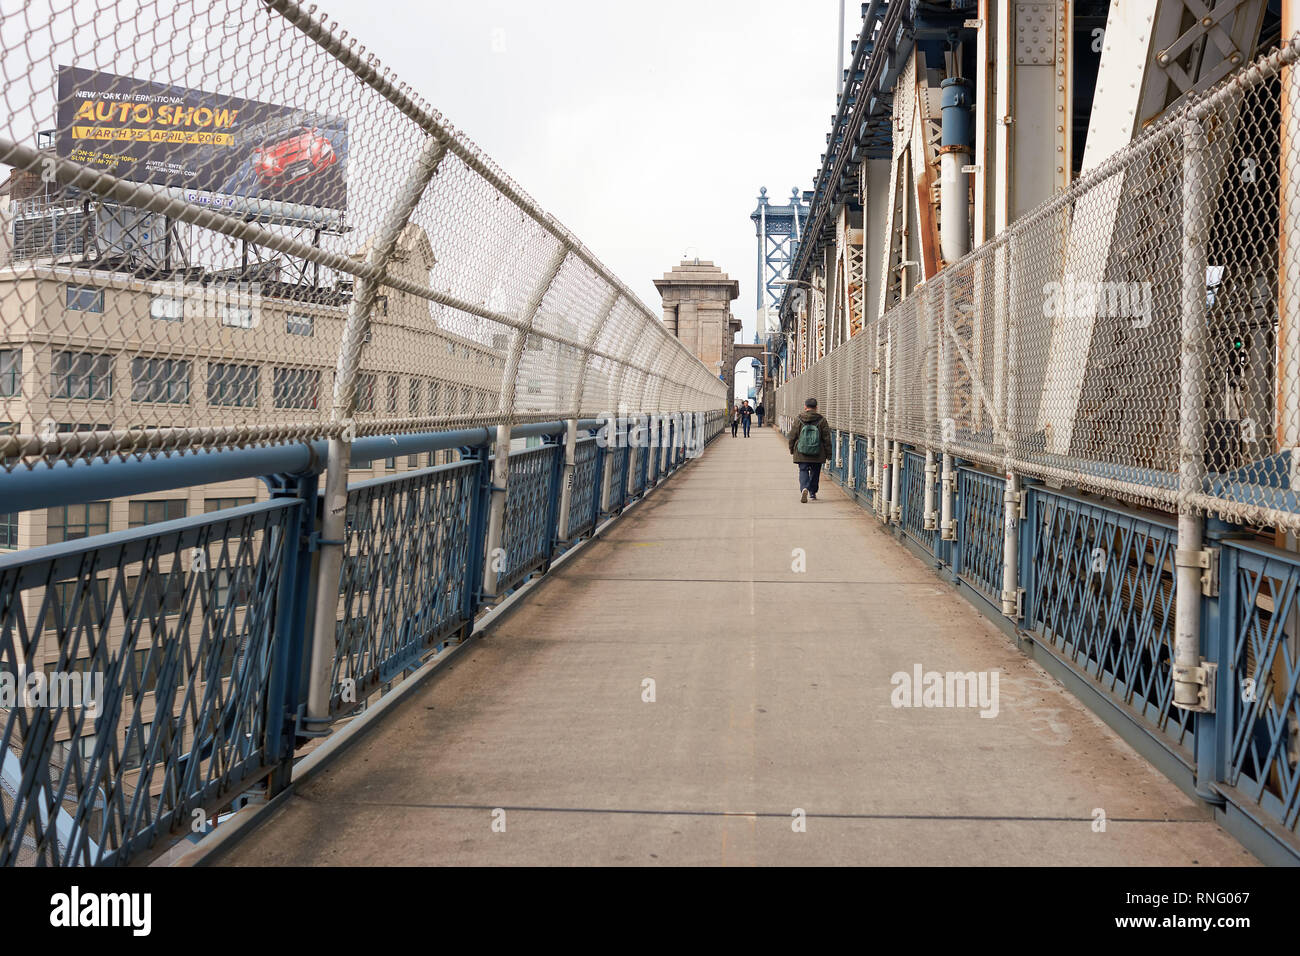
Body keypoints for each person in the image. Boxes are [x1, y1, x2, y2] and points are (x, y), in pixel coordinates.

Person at [788, 396, 832, 503]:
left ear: (805, 407)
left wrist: (791, 449)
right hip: (818, 451)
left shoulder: (798, 419)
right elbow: (826, 438)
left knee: (803, 470)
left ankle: (804, 488)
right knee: (815, 472)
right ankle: (812, 493)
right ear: (816, 407)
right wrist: (828, 454)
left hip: (801, 451)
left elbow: (792, 435)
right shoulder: (822, 420)